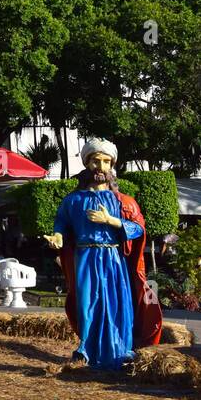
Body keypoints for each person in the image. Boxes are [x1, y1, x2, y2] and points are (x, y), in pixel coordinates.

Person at [45, 138, 161, 368]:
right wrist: (57, 237)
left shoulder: (123, 201)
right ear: (87, 163)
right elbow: (62, 225)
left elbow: (138, 229)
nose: (101, 166)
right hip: (85, 259)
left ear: (112, 165)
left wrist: (112, 220)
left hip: (114, 260)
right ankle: (88, 351)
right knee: (89, 304)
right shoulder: (72, 201)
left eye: (106, 161)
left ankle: (120, 352)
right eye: (96, 161)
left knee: (117, 304)